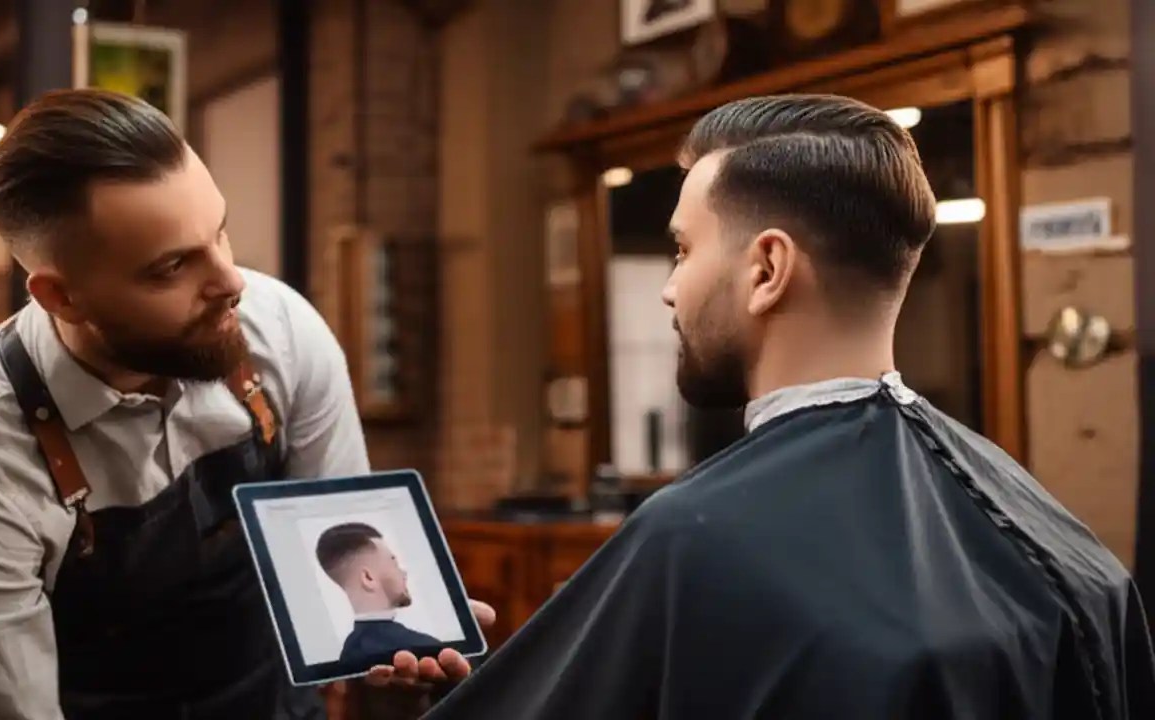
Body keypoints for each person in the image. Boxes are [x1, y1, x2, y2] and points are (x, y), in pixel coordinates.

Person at [412, 94, 1155, 718]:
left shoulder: (691, 539)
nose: (670, 288)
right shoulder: (1063, 539)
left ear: (767, 269)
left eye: (681, 250)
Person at [0, 88, 488, 720]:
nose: (231, 281)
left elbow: (342, 535)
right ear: (62, 298)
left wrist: (411, 624)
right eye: (173, 266)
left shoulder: (278, 331)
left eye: (221, 232)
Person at [314, 522, 441, 664]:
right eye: (393, 562)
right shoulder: (424, 649)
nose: (403, 572)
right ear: (368, 578)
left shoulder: (350, 651)